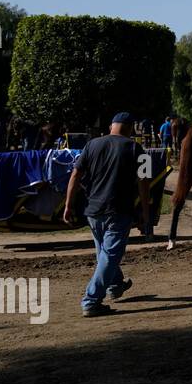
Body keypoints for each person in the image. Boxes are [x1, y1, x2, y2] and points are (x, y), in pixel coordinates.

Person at [63, 111, 153, 318]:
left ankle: (115, 285)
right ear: (130, 129)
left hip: (93, 211)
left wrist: (68, 205)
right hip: (119, 210)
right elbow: (144, 183)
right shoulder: (138, 149)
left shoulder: (91, 145)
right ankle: (91, 300)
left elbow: (75, 174)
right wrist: (145, 212)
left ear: (112, 125)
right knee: (110, 256)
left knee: (104, 253)